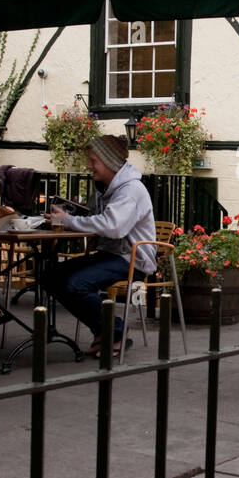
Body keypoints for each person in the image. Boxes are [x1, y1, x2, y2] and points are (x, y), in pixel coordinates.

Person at [42, 135, 155, 358]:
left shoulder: (130, 190)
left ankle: (116, 330)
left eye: (93, 160)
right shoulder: (105, 189)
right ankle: (104, 331)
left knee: (76, 284)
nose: (88, 165)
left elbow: (113, 227)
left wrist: (67, 220)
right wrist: (73, 216)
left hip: (132, 258)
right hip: (110, 253)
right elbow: (99, 220)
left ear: (109, 161)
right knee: (50, 277)